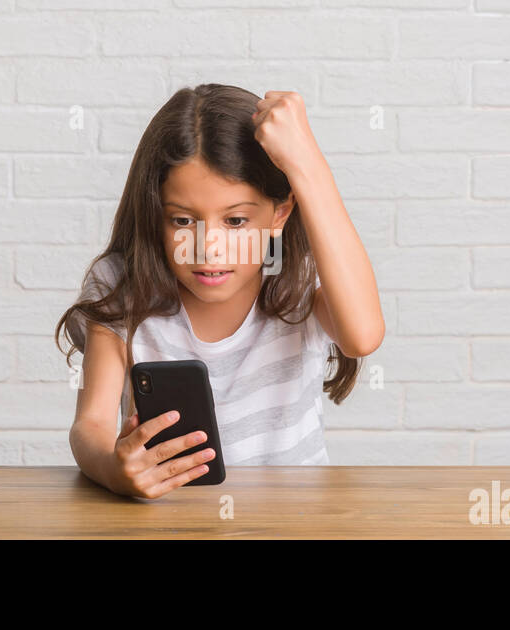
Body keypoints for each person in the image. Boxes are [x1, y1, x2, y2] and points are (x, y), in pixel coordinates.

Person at [57, 84, 384, 499]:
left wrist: (309, 167)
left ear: (279, 213)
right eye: (182, 220)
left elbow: (363, 336)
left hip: (294, 520)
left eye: (235, 222)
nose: (208, 247)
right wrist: (113, 468)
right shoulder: (121, 285)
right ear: (154, 213)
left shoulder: (299, 274)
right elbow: (92, 425)